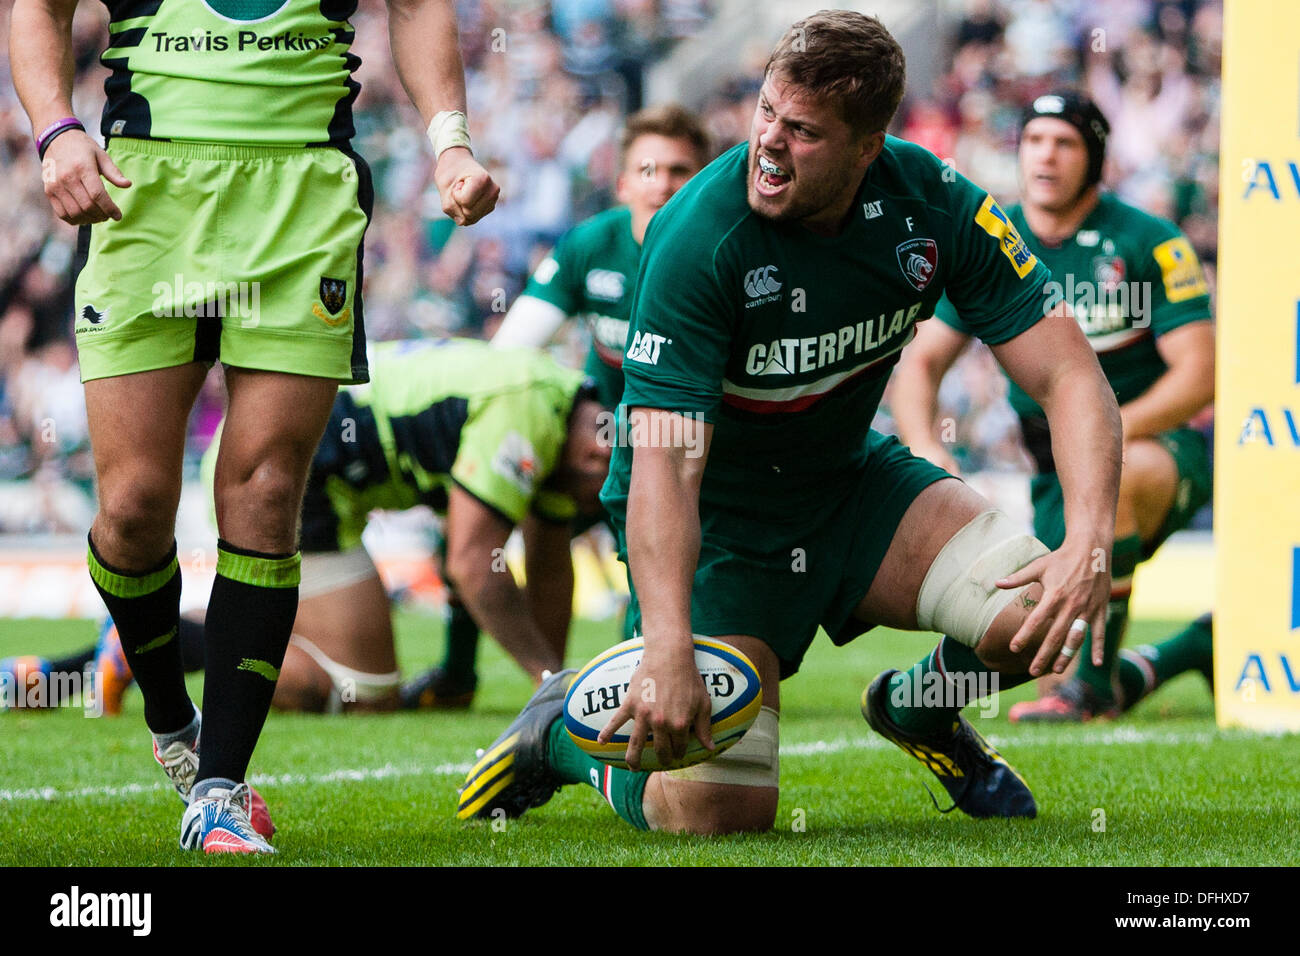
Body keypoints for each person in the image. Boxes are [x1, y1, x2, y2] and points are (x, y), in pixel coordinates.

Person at [456, 11, 1122, 835]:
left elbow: (1068, 372)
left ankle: (917, 711)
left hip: (848, 485)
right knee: (713, 813)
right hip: (718, 524)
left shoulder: (934, 200)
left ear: (867, 147)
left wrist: (1090, 538)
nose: (768, 142)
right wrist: (666, 640)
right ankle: (562, 735)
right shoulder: (699, 233)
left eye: (803, 131)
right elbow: (666, 463)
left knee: (1043, 620)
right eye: (766, 112)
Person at [11, 0, 498, 853]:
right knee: (129, 510)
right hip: (144, 192)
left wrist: (449, 138)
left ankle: (221, 789)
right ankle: (172, 716)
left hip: (301, 195)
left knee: (267, 491)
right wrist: (56, 131)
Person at [3, 339, 611, 715]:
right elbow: (475, 564)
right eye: (598, 494)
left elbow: (543, 561)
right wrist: (551, 685)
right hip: (291, 470)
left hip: (311, 468)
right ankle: (136, 652)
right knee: (360, 694)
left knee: (332, 671)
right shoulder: (530, 410)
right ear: (595, 457)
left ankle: (62, 674)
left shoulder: (559, 411)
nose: (590, 504)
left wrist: (506, 679)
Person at [891, 92, 1215, 721]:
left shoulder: (1147, 241)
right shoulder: (992, 237)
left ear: (1094, 159)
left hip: (1158, 448)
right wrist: (926, 450)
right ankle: (1186, 649)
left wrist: (1104, 436)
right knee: (1033, 647)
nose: (1046, 155)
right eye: (1035, 140)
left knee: (1116, 484)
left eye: (1065, 142)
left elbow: (1200, 375)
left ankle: (1089, 696)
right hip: (1049, 468)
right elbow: (921, 362)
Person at [400, 104, 712, 704]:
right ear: (622, 183)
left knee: (663, 546)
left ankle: (657, 668)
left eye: (679, 170)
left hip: (693, 448)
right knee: (479, 517)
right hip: (597, 445)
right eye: (647, 169)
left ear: (702, 182)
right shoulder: (591, 245)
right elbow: (513, 349)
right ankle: (500, 682)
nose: (663, 184)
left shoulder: (722, 252)